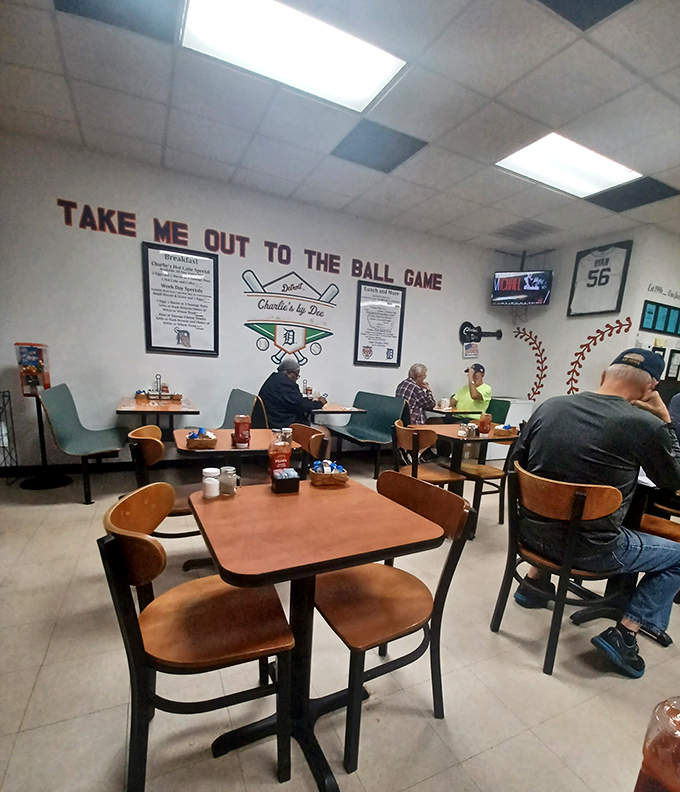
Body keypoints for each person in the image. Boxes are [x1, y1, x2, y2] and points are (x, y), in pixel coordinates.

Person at [510, 348, 680, 679]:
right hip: (593, 552)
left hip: (530, 536)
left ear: (604, 375)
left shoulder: (551, 405)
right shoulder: (645, 424)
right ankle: (626, 632)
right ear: (651, 388)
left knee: (564, 493)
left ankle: (533, 584)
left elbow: (515, 466)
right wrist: (665, 420)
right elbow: (672, 480)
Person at [259, 358, 327, 429]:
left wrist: (309, 400)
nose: (297, 378)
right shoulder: (285, 383)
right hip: (284, 424)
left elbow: (295, 400)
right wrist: (320, 403)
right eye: (297, 375)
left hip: (274, 420)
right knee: (325, 432)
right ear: (289, 372)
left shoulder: (274, 379)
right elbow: (301, 405)